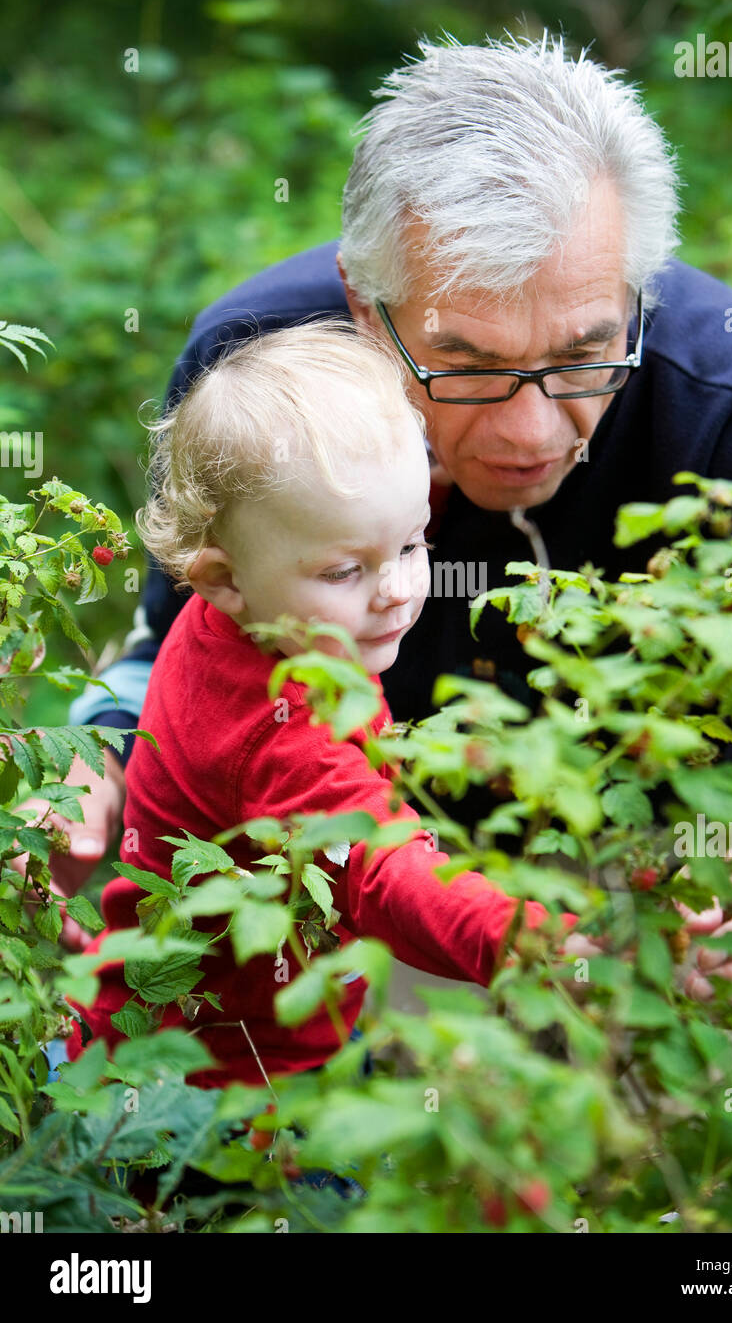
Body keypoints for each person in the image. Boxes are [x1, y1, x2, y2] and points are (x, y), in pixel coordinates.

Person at [47, 33, 732, 966]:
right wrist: (92, 764)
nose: (530, 430)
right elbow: (187, 658)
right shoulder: (260, 385)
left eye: (580, 355)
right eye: (467, 365)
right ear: (364, 304)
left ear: (637, 295)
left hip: (670, 902)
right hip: (355, 901)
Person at [64, 320, 597, 1087]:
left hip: (162, 1025)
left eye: (413, 544)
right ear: (222, 576)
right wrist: (534, 939)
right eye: (346, 570)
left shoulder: (234, 620)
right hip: (237, 1092)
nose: (398, 591)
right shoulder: (280, 730)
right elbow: (382, 873)